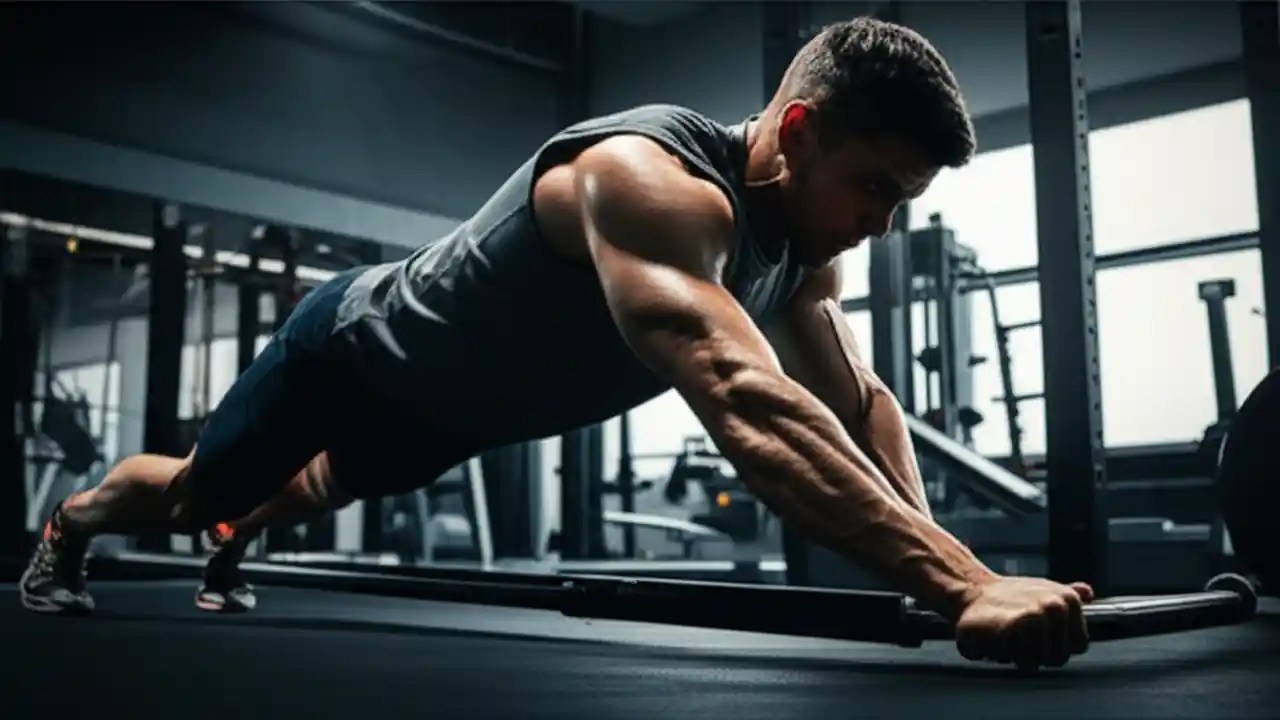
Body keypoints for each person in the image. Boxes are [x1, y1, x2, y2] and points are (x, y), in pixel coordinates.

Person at [20, 17, 1094, 671]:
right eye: (876, 188)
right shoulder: (649, 182)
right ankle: (71, 523)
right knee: (193, 493)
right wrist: (960, 589)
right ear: (798, 132)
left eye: (902, 200)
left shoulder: (808, 248)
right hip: (350, 348)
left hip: (442, 416)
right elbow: (741, 393)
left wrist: (944, 571)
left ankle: (240, 527)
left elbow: (856, 406)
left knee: (305, 494)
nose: (882, 221)